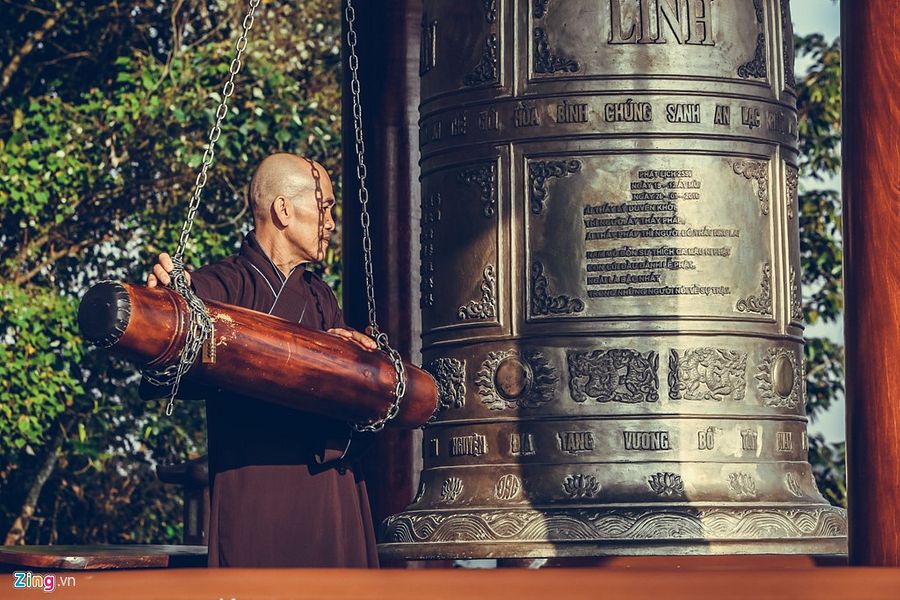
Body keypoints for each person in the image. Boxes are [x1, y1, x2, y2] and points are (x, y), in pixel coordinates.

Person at [146, 153, 379, 568]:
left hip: (332, 496)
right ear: (283, 210)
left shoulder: (320, 297)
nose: (330, 222)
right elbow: (169, 341)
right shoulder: (223, 285)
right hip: (259, 493)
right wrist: (165, 297)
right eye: (324, 206)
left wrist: (358, 362)